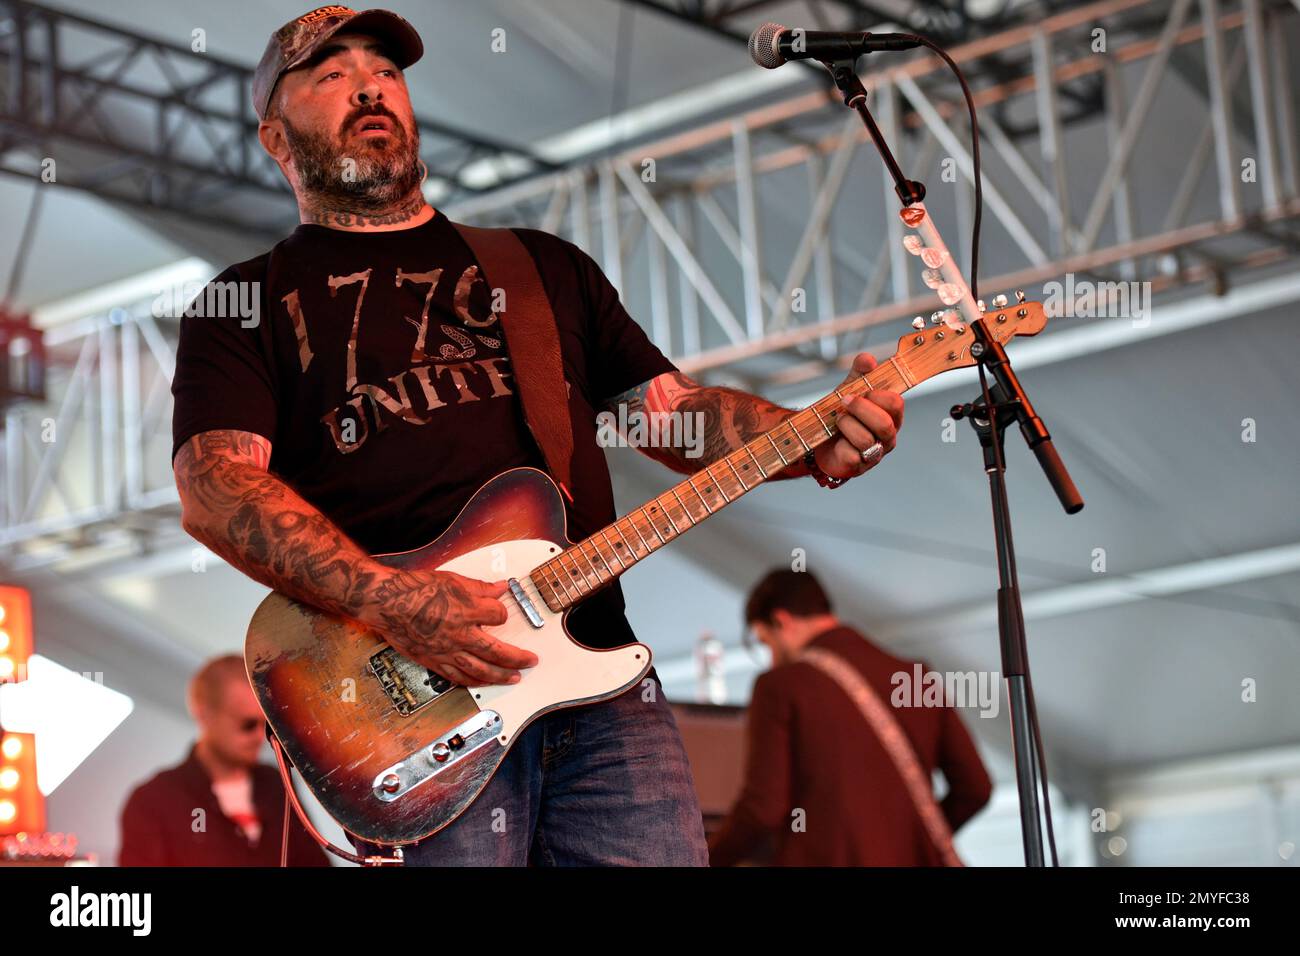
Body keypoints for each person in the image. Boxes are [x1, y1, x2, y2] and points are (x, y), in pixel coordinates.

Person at [169, 6, 906, 866]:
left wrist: (810, 434)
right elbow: (217, 490)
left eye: (385, 71)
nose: (370, 85)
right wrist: (395, 603)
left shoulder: (539, 270)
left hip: (595, 678)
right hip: (410, 706)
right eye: (331, 75)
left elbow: (666, 417)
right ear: (273, 137)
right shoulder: (247, 303)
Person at [710, 570, 992, 866]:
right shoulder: (916, 679)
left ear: (782, 620)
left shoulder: (781, 685)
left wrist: (705, 858)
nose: (771, 659)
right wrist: (909, 842)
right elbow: (976, 788)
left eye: (766, 642)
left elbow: (762, 808)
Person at [119, 655, 330, 866]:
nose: (260, 736)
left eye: (266, 724)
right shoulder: (152, 800)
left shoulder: (277, 783)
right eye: (247, 724)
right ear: (204, 715)